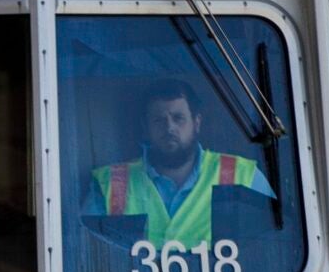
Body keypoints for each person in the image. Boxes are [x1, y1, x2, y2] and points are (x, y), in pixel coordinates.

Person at [85, 76, 274, 246]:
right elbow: (88, 248)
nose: (170, 128)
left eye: (178, 118)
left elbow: (275, 244)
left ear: (196, 123)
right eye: (159, 120)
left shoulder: (244, 175)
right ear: (145, 127)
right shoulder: (108, 184)